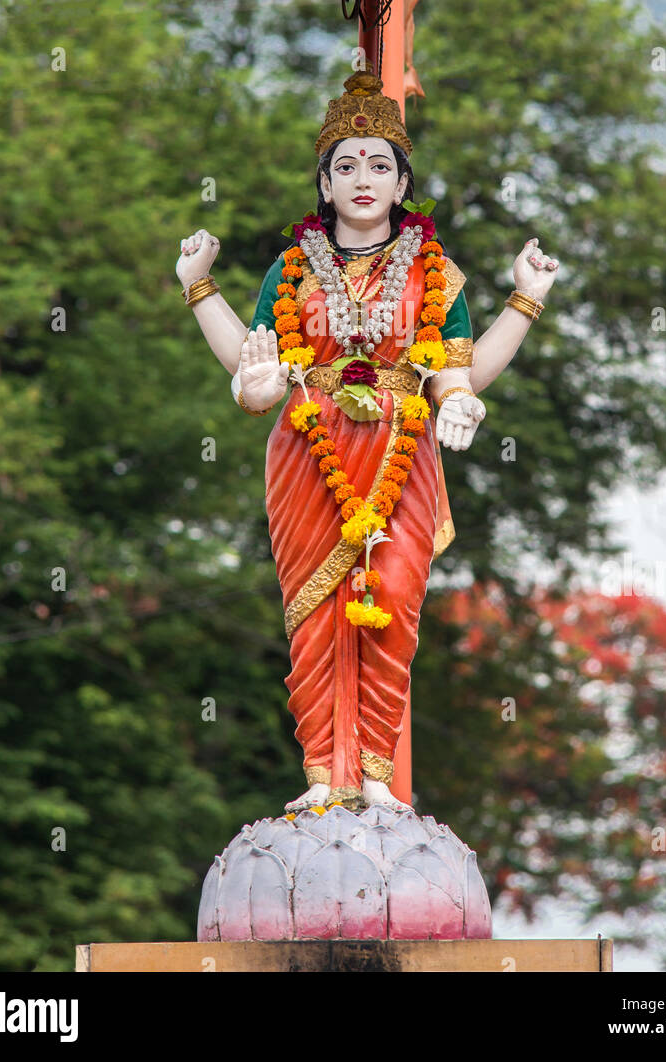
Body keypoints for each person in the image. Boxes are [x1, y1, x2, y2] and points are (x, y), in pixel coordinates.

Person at [176, 72, 558, 811]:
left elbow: (458, 370)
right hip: (308, 453)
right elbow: (253, 364)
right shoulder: (289, 271)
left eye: (379, 165)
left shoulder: (435, 272)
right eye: (345, 165)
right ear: (323, 182)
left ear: (403, 181)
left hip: (400, 453)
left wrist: (520, 308)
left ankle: (375, 774)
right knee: (313, 614)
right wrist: (200, 288)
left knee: (394, 601)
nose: (362, 179)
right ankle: (323, 775)